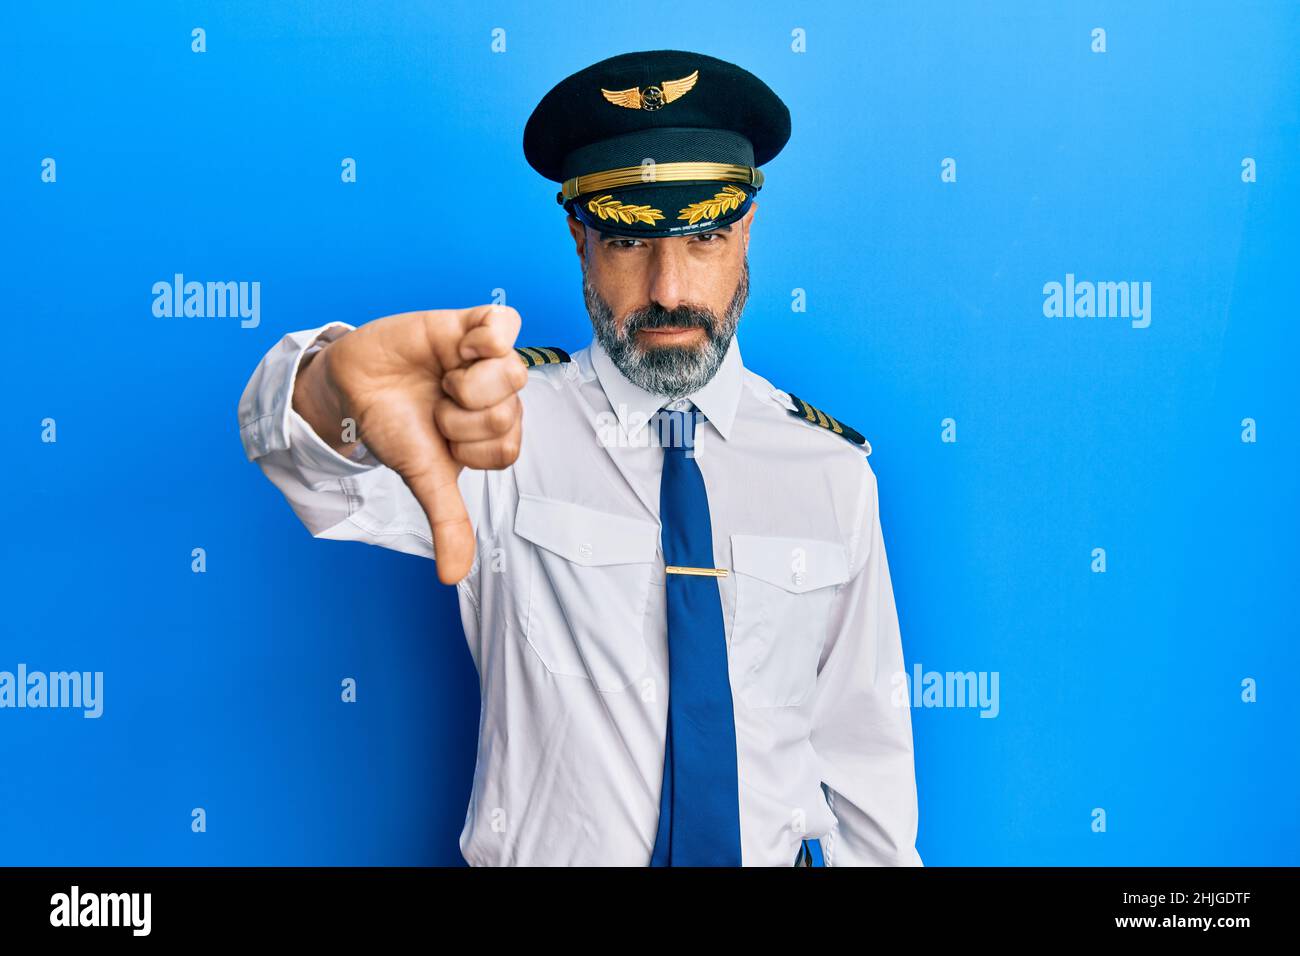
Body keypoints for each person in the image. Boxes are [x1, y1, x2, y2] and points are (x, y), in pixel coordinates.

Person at [237, 50, 922, 867]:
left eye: (702, 235)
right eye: (630, 241)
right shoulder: (492, 428)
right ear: (579, 237)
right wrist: (330, 391)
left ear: (745, 230)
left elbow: (864, 771)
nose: (669, 287)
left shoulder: (831, 473)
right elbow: (312, 475)